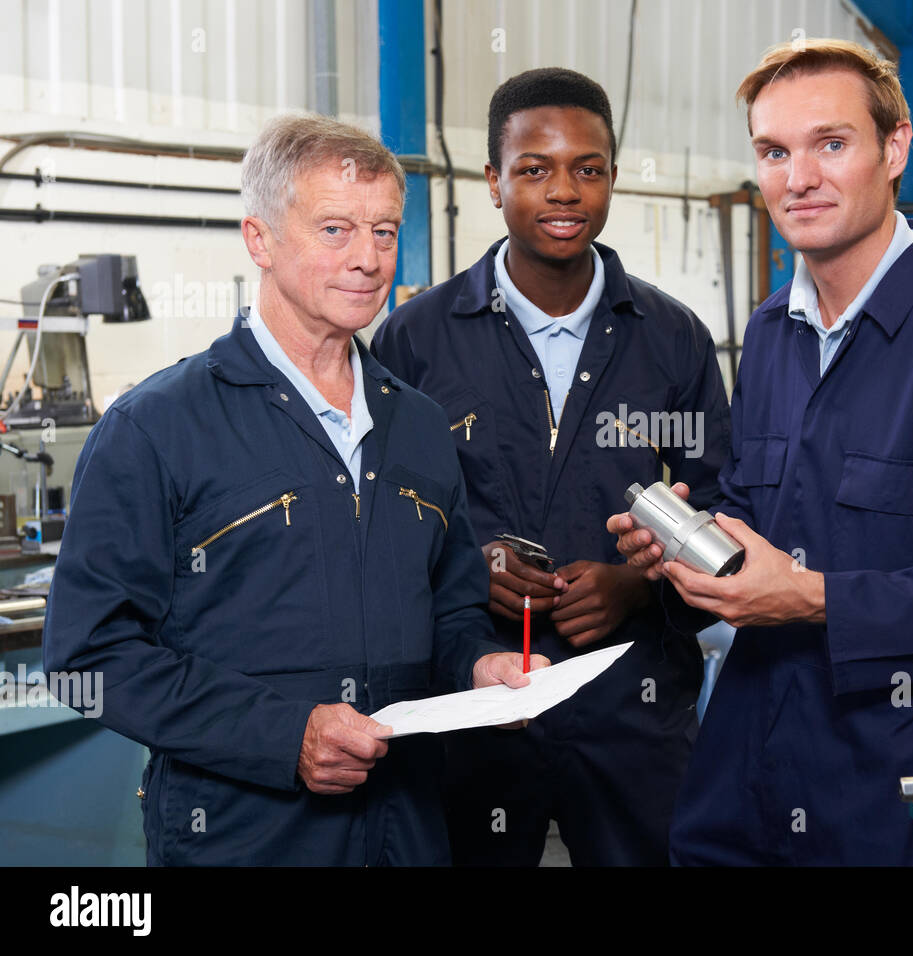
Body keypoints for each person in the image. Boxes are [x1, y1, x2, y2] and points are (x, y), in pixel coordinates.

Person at [609, 39, 913, 865]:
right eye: (774, 152)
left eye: (831, 144)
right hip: (744, 779)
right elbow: (759, 518)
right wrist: (689, 552)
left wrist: (816, 597)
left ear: (894, 149)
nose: (799, 178)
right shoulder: (770, 331)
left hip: (897, 798)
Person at [42, 114, 545, 866]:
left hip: (407, 829)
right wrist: (285, 737)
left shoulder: (421, 426)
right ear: (260, 239)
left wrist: (481, 666)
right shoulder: (157, 427)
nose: (369, 259)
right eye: (335, 229)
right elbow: (88, 662)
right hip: (241, 840)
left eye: (384, 231)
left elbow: (452, 610)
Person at [370, 68, 731, 866]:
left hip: (633, 710)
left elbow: (725, 513)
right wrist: (472, 568)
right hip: (476, 708)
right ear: (493, 181)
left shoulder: (672, 340)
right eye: (534, 169)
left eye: (588, 169)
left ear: (610, 178)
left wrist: (637, 585)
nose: (563, 191)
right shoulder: (416, 341)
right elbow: (383, 524)